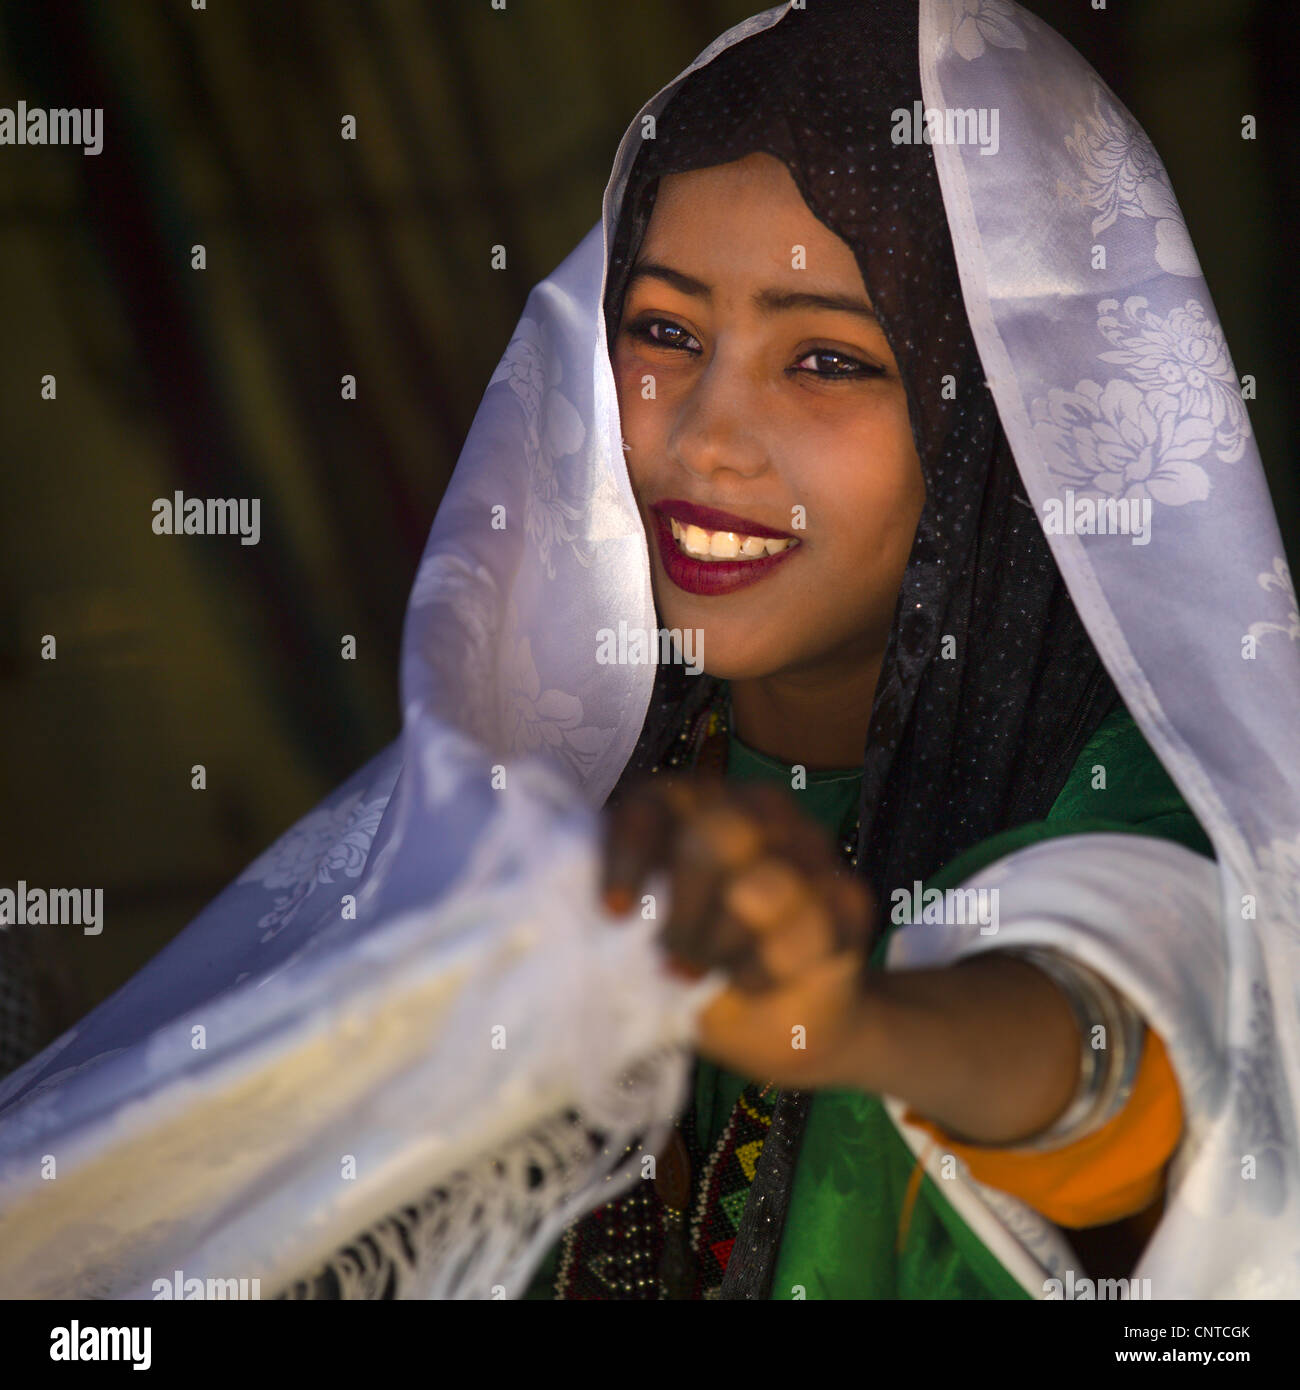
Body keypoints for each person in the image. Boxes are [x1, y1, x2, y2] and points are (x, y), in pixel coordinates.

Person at [1, 0, 1296, 1302]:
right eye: (666, 330)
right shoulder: (528, 811)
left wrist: (863, 1020)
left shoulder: (1164, 811)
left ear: (1004, 425)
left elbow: (1133, 1018)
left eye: (829, 357)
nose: (707, 436)